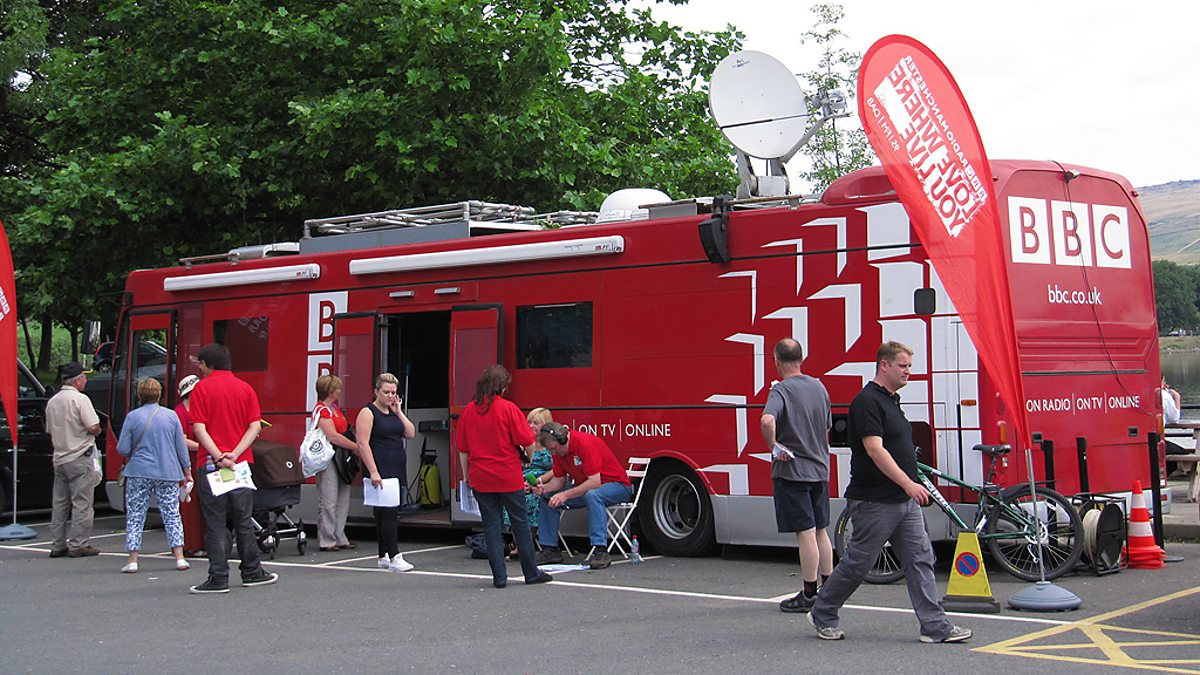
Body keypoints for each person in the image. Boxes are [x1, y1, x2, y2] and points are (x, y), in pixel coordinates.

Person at [808, 341, 970, 643]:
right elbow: (874, 449)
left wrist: (911, 481)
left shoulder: (891, 400)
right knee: (859, 562)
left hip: (902, 501)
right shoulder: (867, 401)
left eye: (909, 366)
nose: (908, 371)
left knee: (920, 559)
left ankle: (935, 627)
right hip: (874, 500)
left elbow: (897, 447)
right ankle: (823, 611)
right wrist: (908, 483)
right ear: (884, 365)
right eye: (903, 366)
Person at [188, 343, 279, 593]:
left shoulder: (200, 390)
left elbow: (199, 428)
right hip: (239, 464)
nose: (199, 368)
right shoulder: (245, 389)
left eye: (201, 364)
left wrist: (218, 456)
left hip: (210, 463)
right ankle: (252, 571)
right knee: (244, 520)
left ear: (208, 364)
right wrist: (235, 454)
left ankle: (218, 577)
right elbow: (254, 427)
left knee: (215, 522)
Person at [456, 365, 553, 588]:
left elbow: (463, 449)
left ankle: (499, 577)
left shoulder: (469, 411)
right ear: (502, 385)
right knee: (520, 523)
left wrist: (466, 476)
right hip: (507, 476)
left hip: (480, 476)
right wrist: (527, 459)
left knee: (491, 526)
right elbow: (528, 440)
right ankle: (531, 573)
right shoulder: (508, 409)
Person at [760, 338, 833, 613]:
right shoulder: (819, 386)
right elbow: (826, 424)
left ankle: (809, 593)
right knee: (821, 530)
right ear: (802, 359)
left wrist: (774, 445)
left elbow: (767, 420)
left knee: (805, 533)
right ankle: (829, 587)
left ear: (776, 360)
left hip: (793, 472)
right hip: (820, 470)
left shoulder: (780, 390)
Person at [532, 421, 632, 570]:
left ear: (562, 440)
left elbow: (594, 482)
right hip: (587, 487)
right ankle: (550, 548)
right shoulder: (559, 452)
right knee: (549, 498)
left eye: (553, 449)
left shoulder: (585, 444)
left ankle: (600, 550)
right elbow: (559, 480)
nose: (553, 453)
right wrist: (544, 489)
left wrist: (565, 494)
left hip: (617, 486)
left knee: (593, 495)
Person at [117, 378, 192, 573]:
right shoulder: (171, 416)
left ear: (139, 395)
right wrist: (187, 471)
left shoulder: (133, 417)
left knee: (135, 514)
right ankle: (179, 557)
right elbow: (180, 447)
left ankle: (133, 559)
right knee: (172, 513)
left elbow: (123, 448)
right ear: (159, 394)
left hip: (139, 471)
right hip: (167, 471)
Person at [356, 372, 417, 573]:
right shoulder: (368, 412)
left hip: (395, 466)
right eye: (386, 392)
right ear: (376, 391)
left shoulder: (392, 413)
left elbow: (410, 433)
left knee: (385, 513)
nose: (390, 396)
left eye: (393, 392)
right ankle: (395, 555)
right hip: (381, 467)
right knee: (388, 513)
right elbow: (363, 443)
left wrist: (398, 412)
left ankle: (383, 555)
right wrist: (373, 471)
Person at [45, 362, 103, 558]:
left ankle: (57, 543)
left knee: (60, 503)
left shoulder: (53, 401)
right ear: (77, 380)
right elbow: (93, 426)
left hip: (60, 456)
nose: (85, 380)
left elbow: (49, 430)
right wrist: (95, 430)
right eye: (84, 377)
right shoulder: (80, 399)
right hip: (79, 454)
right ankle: (78, 543)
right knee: (82, 503)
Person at [501, 407, 556, 560]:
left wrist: (538, 482)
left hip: (543, 481)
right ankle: (519, 542)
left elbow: (556, 470)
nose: (531, 426)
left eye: (536, 423)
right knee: (512, 499)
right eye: (529, 422)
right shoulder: (523, 444)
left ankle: (525, 544)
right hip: (522, 480)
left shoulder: (551, 445)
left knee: (532, 500)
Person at [313, 375, 359, 552]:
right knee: (329, 499)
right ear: (329, 390)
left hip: (339, 456)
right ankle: (327, 538)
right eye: (337, 388)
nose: (340, 390)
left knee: (342, 497)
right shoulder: (322, 410)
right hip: (329, 458)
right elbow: (332, 436)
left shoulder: (333, 409)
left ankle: (339, 536)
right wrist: (355, 447)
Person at [174, 374, 206, 557]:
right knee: (190, 505)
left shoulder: (197, 410)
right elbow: (182, 441)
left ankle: (201, 542)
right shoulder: (179, 413)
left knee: (202, 503)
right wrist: (205, 445)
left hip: (199, 459)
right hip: (186, 463)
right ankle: (190, 544)